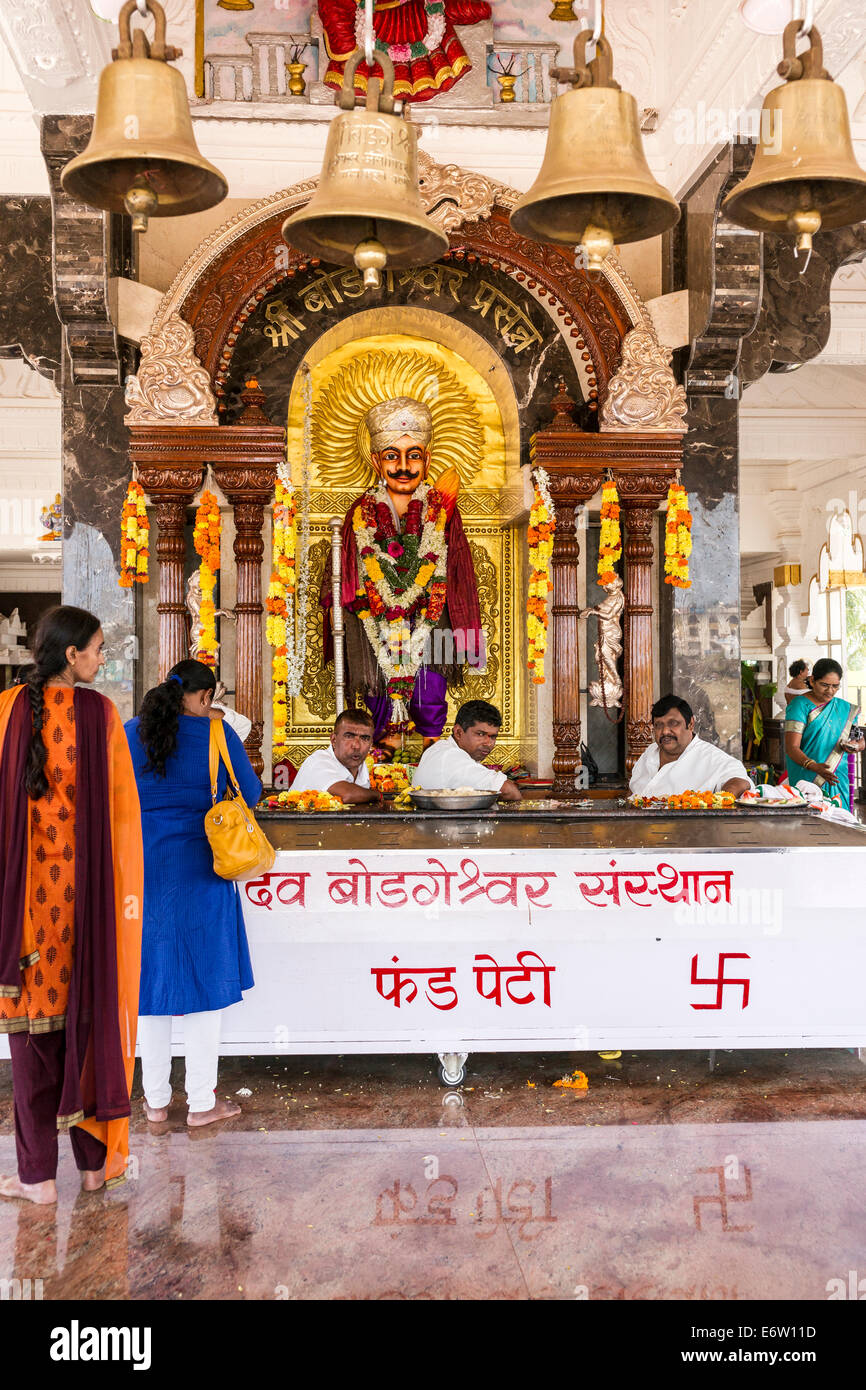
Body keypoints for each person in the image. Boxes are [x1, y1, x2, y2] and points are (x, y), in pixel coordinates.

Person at [0, 606, 143, 1204]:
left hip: (25, 909)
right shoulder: (101, 714)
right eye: (98, 649)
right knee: (89, 1030)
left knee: (33, 1047)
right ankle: (92, 1170)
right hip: (87, 910)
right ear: (70, 655)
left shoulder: (5, 709)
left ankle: (37, 1181)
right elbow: (121, 817)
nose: (102, 657)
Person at [125, 659, 262, 1128]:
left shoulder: (130, 732)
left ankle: (155, 1101)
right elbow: (251, 792)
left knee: (151, 986)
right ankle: (202, 1103)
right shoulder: (217, 734)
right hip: (204, 871)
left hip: (145, 874)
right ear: (205, 698)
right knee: (205, 986)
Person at [321, 395, 483, 750]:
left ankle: (432, 752)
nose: (404, 466)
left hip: (432, 612)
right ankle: (383, 755)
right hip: (373, 617)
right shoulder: (359, 512)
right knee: (378, 689)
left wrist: (464, 627)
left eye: (413, 456)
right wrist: (348, 601)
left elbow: (459, 569)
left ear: (426, 459)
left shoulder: (443, 511)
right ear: (377, 461)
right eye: (393, 456)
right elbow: (345, 568)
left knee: (430, 690)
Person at [629, 694, 753, 798]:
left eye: (673, 723)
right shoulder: (650, 752)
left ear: (691, 724)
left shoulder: (712, 758)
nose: (665, 731)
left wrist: (718, 803)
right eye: (659, 725)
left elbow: (740, 782)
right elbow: (633, 792)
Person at [785, 657, 864, 811]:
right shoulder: (799, 705)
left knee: (839, 823)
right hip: (807, 776)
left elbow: (859, 739)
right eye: (825, 685)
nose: (830, 691)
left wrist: (856, 746)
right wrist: (814, 766)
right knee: (808, 824)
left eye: (835, 686)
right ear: (813, 680)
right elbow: (791, 747)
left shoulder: (844, 708)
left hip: (837, 776)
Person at [414, 699, 522, 800]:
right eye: (480, 734)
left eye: (493, 736)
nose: (488, 743)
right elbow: (508, 790)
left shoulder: (438, 749)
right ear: (458, 732)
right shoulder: (450, 756)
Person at [291, 708, 381, 805]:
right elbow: (347, 795)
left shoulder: (360, 765)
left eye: (365, 738)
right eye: (349, 736)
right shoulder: (318, 761)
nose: (357, 746)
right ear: (334, 740)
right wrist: (377, 795)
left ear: (371, 744)